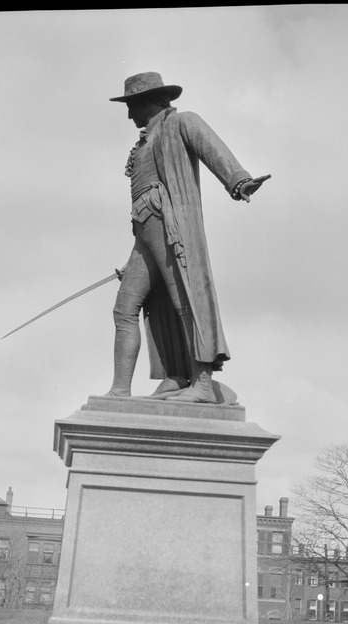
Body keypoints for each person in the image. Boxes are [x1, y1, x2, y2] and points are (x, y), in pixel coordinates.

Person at [105, 72, 271, 403]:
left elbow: (213, 148)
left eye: (132, 105)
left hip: (173, 227)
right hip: (145, 234)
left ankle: (203, 383)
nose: (128, 114)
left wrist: (239, 181)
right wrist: (133, 258)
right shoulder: (141, 144)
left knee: (186, 300)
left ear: (151, 101)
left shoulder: (182, 123)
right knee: (124, 308)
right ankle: (124, 389)